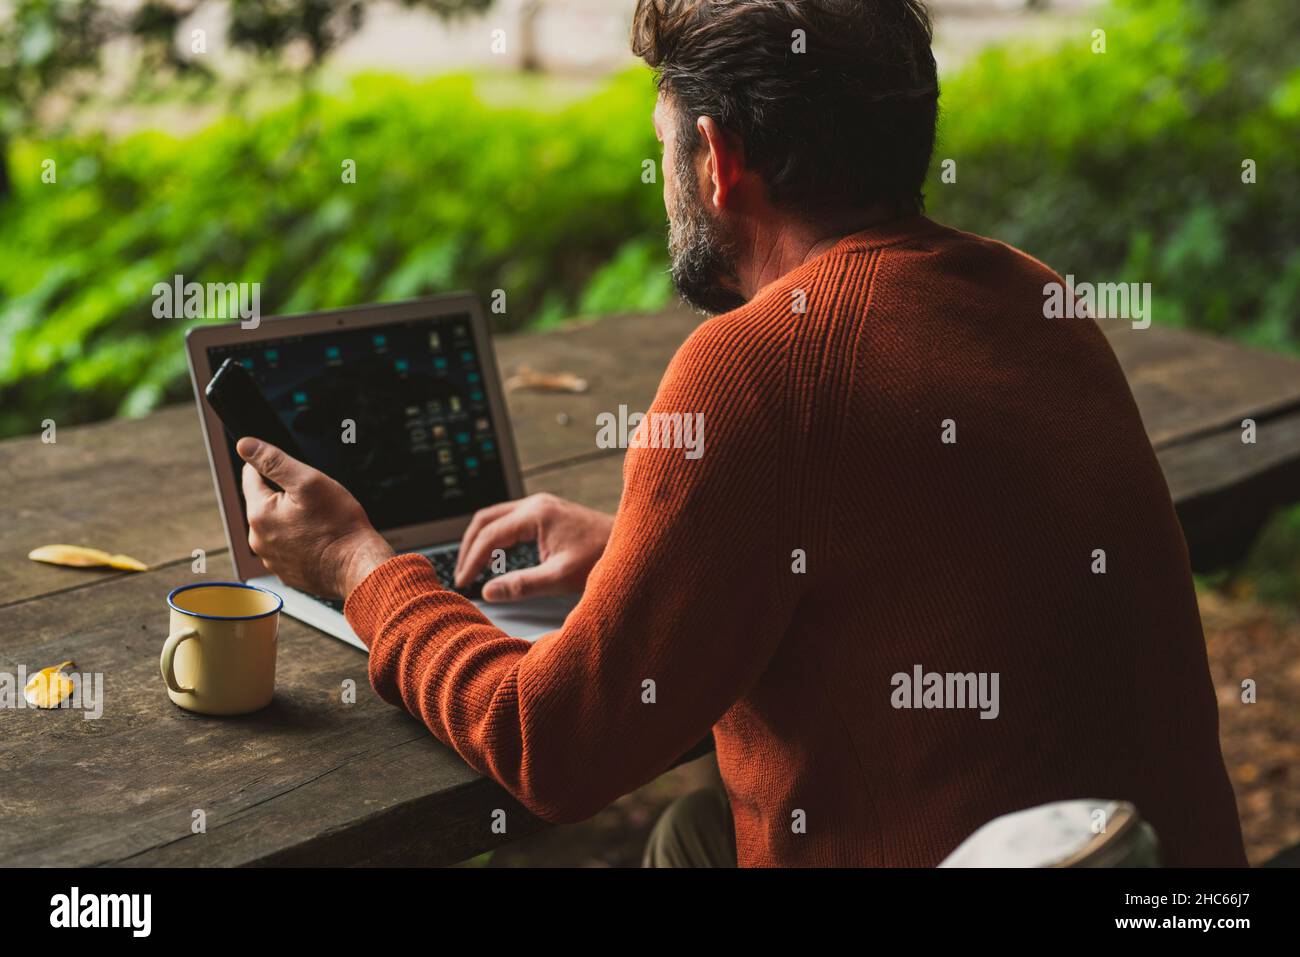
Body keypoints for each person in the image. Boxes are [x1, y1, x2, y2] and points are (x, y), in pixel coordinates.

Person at [235, 0, 1246, 867]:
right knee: (697, 831)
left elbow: (556, 750)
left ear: (714, 158)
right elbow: (901, 554)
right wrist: (649, 554)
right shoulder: (1031, 292)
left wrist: (359, 567)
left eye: (660, 146)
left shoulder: (760, 365)